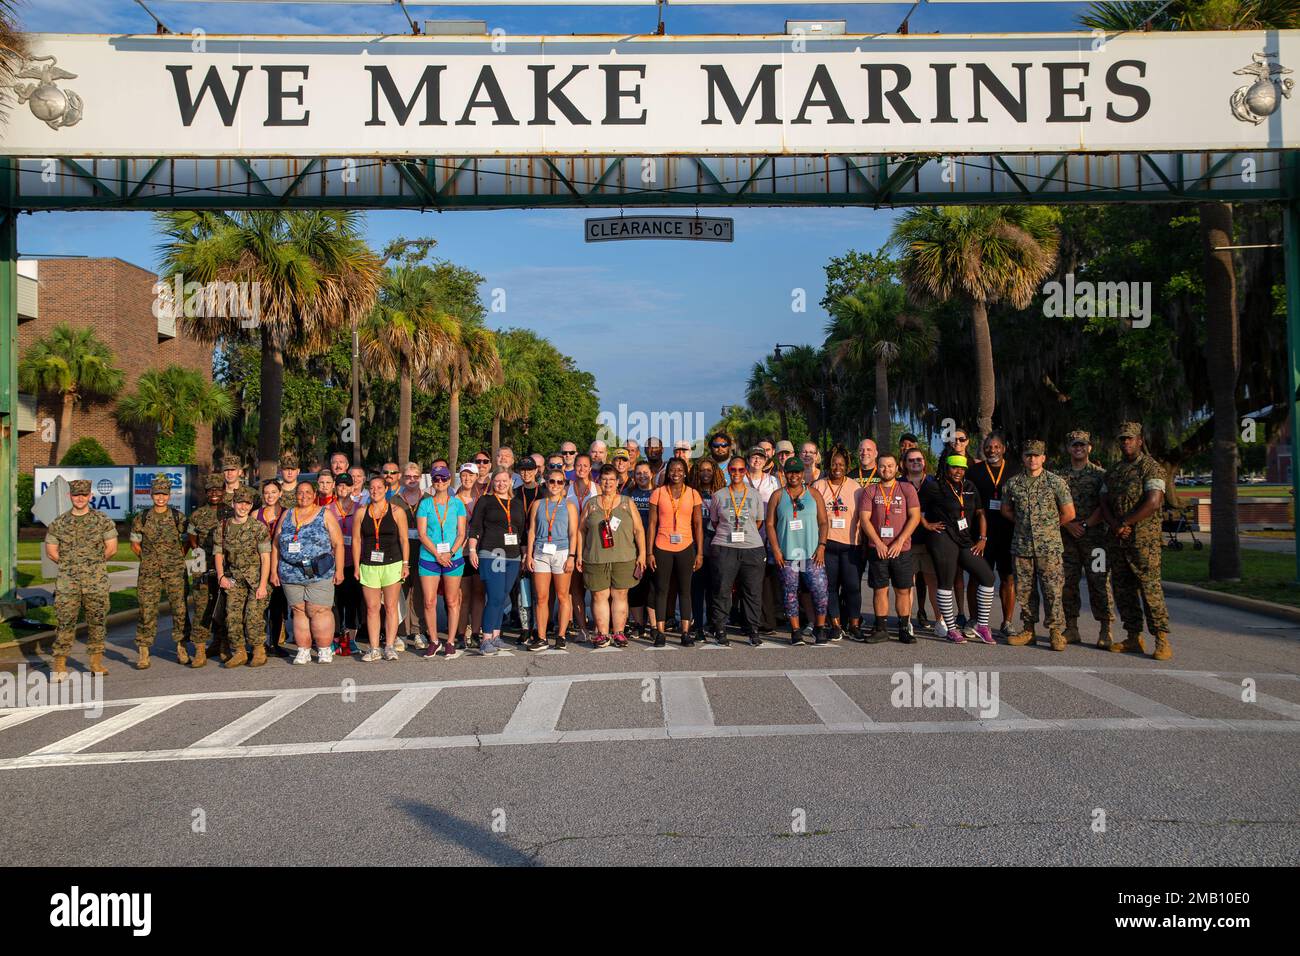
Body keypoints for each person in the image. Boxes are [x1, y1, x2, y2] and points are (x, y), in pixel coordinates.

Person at [1101, 421, 1173, 660]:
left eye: (1130, 438)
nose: (1126, 442)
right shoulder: (1114, 471)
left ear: (1140, 441)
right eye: (1122, 439)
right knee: (1123, 590)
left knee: (1150, 589)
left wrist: (1126, 523)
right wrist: (1114, 525)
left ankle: (1161, 639)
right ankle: (1133, 636)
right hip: (1118, 540)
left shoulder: (1151, 468)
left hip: (1144, 541)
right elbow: (1103, 502)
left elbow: (1153, 502)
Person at [1002, 441, 1076, 651]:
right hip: (1022, 547)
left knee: (1053, 591)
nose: (1032, 459)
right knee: (1025, 592)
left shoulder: (1056, 482)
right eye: (1028, 455)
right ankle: (1028, 630)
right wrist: (1024, 524)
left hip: (1049, 548)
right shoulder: (1013, 484)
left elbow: (1070, 513)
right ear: (1023, 458)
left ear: (1044, 458)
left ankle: (1055, 632)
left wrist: (1049, 527)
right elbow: (1006, 510)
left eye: (1036, 455)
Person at [918, 454, 996, 643]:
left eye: (962, 468)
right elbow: (916, 509)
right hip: (942, 537)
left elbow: (980, 513)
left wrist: (983, 538)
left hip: (965, 538)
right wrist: (927, 525)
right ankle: (951, 629)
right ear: (946, 467)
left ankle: (982, 625)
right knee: (946, 581)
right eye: (954, 468)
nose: (958, 472)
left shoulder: (969, 487)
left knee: (988, 577)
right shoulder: (933, 486)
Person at [45, 479, 117, 682]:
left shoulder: (102, 520)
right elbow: (51, 551)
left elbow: (111, 548)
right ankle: (59, 665)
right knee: (65, 622)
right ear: (70, 497)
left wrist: (91, 564)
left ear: (90, 497)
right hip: (68, 583)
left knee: (97, 622)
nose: (80, 498)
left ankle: (95, 662)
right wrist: (71, 564)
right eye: (76, 495)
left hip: (96, 581)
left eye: (83, 495)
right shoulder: (59, 523)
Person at [272, 480, 345, 664]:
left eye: (308, 492)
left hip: (319, 572)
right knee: (299, 611)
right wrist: (274, 571)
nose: (304, 496)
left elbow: (338, 544)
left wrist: (340, 570)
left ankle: (323, 649)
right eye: (300, 492)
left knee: (319, 610)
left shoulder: (324, 514)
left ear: (314, 495)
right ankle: (303, 650)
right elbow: (275, 545)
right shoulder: (287, 514)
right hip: (291, 573)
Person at [1054, 430, 1115, 648]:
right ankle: (1071, 628)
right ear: (1068, 448)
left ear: (1089, 447)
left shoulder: (1101, 475)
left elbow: (1105, 506)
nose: (1078, 448)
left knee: (1099, 582)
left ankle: (1106, 629)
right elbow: (1053, 507)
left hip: (1096, 540)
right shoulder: (1059, 477)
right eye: (1074, 445)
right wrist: (1069, 525)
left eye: (1082, 445)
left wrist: (1086, 524)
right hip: (1068, 539)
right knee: (1067, 584)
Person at [574, 464, 646, 648]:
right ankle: (603, 634)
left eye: (611, 479)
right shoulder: (591, 504)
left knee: (620, 595)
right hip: (596, 557)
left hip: (624, 557)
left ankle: (619, 633)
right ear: (599, 481)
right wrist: (579, 554)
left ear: (617, 481)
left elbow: (639, 530)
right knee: (599, 596)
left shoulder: (627, 502)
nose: (608, 483)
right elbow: (581, 530)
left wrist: (642, 554)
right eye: (604, 479)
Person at [130, 474, 191, 669]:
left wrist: (179, 555)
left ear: (169, 495)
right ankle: (144, 651)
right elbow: (134, 543)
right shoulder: (142, 518)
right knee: (147, 611)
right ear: (151, 494)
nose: (161, 498)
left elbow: (188, 539)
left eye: (164, 494)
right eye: (157, 494)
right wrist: (147, 559)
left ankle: (181, 647)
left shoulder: (178, 517)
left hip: (175, 571)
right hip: (149, 573)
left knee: (180, 609)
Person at [860, 453, 922, 643]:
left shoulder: (906, 489)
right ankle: (881, 628)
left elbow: (915, 517)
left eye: (890, 466)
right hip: (878, 549)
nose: (886, 469)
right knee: (880, 589)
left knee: (903, 590)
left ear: (897, 468)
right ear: (877, 468)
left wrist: (900, 540)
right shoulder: (871, 490)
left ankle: (904, 628)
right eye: (882, 466)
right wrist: (878, 542)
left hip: (901, 549)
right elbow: (864, 519)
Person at [767, 457, 830, 645]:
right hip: (787, 556)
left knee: (820, 590)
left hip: (811, 554)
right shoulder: (778, 495)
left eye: (797, 472)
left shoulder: (813, 494)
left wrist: (822, 546)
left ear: (803, 473)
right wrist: (776, 550)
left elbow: (824, 522)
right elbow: (770, 524)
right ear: (784, 474)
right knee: (790, 592)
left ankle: (819, 629)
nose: (793, 476)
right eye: (790, 472)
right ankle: (795, 631)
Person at [467, 468, 528, 655]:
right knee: (494, 597)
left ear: (511, 482)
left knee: (502, 597)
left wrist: (525, 553)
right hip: (493, 553)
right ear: (492, 483)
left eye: (504, 481)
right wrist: (472, 550)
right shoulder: (486, 501)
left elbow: (522, 531)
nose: (501, 484)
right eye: (497, 481)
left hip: (513, 555)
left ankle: (496, 636)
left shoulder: (517, 503)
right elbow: (475, 526)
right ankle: (485, 639)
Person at [709, 456, 766, 646]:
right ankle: (720, 628)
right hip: (725, 546)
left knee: (752, 591)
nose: (737, 474)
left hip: (752, 547)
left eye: (741, 470)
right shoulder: (719, 495)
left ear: (746, 472)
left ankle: (753, 629)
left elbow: (758, 522)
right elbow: (715, 522)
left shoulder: (755, 494)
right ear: (728, 471)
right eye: (733, 470)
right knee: (722, 590)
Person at [213, 486, 273, 668]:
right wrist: (221, 576)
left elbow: (265, 557)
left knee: (253, 616)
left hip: (256, 579)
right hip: (234, 579)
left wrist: (263, 585)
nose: (243, 507)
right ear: (233, 503)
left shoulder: (258, 527)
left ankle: (258, 650)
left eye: (247, 503)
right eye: (240, 503)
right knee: (232, 616)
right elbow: (218, 554)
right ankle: (239, 651)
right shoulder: (223, 526)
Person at [354, 475, 410, 662]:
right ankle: (374, 648)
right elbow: (356, 541)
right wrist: (356, 566)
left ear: (386, 489)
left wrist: (405, 564)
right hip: (369, 565)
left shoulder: (397, 511)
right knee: (372, 607)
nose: (375, 490)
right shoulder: (361, 512)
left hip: (392, 563)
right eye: (372, 488)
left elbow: (404, 539)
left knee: (391, 606)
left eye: (379, 487)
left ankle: (390, 645)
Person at [648, 458, 704, 646]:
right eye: (672, 469)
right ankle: (661, 632)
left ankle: (685, 632)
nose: (676, 473)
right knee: (662, 590)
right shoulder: (658, 493)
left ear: (685, 472)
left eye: (680, 469)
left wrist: (699, 552)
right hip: (662, 546)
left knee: (685, 591)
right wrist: (649, 552)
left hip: (686, 546)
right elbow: (652, 524)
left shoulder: (693, 494)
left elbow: (698, 524)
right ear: (667, 472)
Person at [968, 431, 1018, 637]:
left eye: (997, 447)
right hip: (980, 534)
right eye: (988, 447)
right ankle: (974, 620)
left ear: (1004, 449)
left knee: (1007, 578)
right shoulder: (975, 471)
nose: (992, 450)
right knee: (976, 577)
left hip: (1008, 533)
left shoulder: (1015, 470)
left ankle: (1007, 622)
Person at [524, 468, 579, 651]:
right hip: (540, 552)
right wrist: (529, 555)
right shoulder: (539, 504)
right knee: (541, 597)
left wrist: (572, 556)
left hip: (562, 553)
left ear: (564, 485)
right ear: (546, 483)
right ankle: (541, 637)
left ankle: (561, 635)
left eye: (559, 482)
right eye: (552, 481)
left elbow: (573, 533)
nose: (555, 485)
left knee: (563, 596)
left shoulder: (569, 505)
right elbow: (531, 530)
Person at [812, 445, 862, 641]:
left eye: (841, 464)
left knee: (853, 586)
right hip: (827, 544)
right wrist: (819, 546)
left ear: (847, 465)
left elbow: (862, 517)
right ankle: (835, 624)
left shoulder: (855, 487)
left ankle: (855, 624)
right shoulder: (819, 485)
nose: (837, 467)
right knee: (830, 586)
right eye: (834, 464)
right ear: (828, 465)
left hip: (851, 544)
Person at [416, 464, 466, 660]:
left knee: (452, 600)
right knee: (429, 602)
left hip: (453, 557)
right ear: (432, 482)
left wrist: (451, 553)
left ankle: (451, 641)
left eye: (443, 479)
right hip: (430, 557)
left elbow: (462, 533)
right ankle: (434, 640)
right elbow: (421, 534)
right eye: (436, 479)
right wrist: (438, 554)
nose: (440, 482)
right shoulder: (425, 504)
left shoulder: (457, 503)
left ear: (449, 481)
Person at [187, 475, 233, 663]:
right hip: (202, 562)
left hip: (226, 563)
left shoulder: (231, 512)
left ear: (224, 491)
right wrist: (198, 553)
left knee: (223, 605)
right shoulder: (198, 514)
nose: (214, 493)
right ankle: (199, 648)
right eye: (210, 490)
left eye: (218, 489)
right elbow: (191, 536)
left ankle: (222, 644)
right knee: (202, 605)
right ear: (206, 493)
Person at [744, 445, 783, 635]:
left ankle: (769, 619)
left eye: (760, 457)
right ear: (748, 460)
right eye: (753, 457)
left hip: (768, 535)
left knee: (768, 579)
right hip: (746, 535)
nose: (757, 460)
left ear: (766, 460)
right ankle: (749, 619)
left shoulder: (773, 481)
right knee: (748, 579)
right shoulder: (741, 479)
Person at [902, 449, 942, 628]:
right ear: (905, 464)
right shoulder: (899, 484)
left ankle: (941, 621)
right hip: (907, 541)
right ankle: (907, 620)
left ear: (924, 462)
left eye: (918, 459)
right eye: (911, 460)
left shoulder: (934, 483)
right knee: (907, 583)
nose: (915, 463)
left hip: (929, 542)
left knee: (932, 581)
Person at [328, 471, 361, 656]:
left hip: (353, 562)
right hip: (333, 564)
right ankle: (335, 639)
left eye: (346, 485)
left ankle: (351, 640)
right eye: (339, 485)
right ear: (335, 487)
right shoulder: (328, 510)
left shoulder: (359, 508)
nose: (343, 488)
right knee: (335, 603)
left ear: (352, 488)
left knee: (353, 602)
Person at [690, 457, 724, 636]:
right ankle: (698, 624)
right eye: (702, 470)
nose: (705, 473)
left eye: (709, 470)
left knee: (714, 587)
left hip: (716, 544)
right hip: (696, 545)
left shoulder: (721, 492)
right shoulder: (691, 492)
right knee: (697, 587)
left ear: (715, 472)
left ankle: (714, 622)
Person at [566, 453, 598, 640]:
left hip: (592, 544)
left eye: (586, 466)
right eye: (579, 465)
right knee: (576, 589)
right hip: (572, 543)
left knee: (595, 588)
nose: (582, 469)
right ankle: (582, 628)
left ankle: (599, 625)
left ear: (590, 468)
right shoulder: (566, 488)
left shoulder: (597, 489)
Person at [255, 479, 289, 655]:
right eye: (267, 492)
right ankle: (260, 644)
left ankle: (275, 642)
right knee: (260, 608)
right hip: (259, 567)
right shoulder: (255, 515)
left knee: (277, 607)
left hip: (280, 565)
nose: (270, 496)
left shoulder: (287, 513)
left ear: (280, 493)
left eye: (274, 492)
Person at [396, 461, 426, 651]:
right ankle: (399, 633)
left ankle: (417, 631)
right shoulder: (394, 501)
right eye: (408, 476)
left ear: (421, 478)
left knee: (420, 595)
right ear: (402, 478)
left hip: (424, 554)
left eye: (416, 477)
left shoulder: (429, 499)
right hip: (400, 555)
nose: (412, 480)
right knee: (400, 595)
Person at [625, 461, 657, 639]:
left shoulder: (658, 491)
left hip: (654, 545)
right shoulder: (628, 493)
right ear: (633, 476)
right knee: (635, 585)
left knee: (652, 587)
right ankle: (639, 624)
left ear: (651, 473)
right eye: (638, 473)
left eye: (645, 473)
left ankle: (653, 625)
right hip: (632, 545)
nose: (642, 476)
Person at [455, 461, 483, 648]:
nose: (467, 478)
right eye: (464, 475)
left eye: (470, 475)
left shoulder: (483, 498)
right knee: (462, 596)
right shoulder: (453, 499)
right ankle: (460, 633)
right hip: (460, 552)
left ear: (476, 477)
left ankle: (475, 632)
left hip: (479, 551)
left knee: (479, 594)